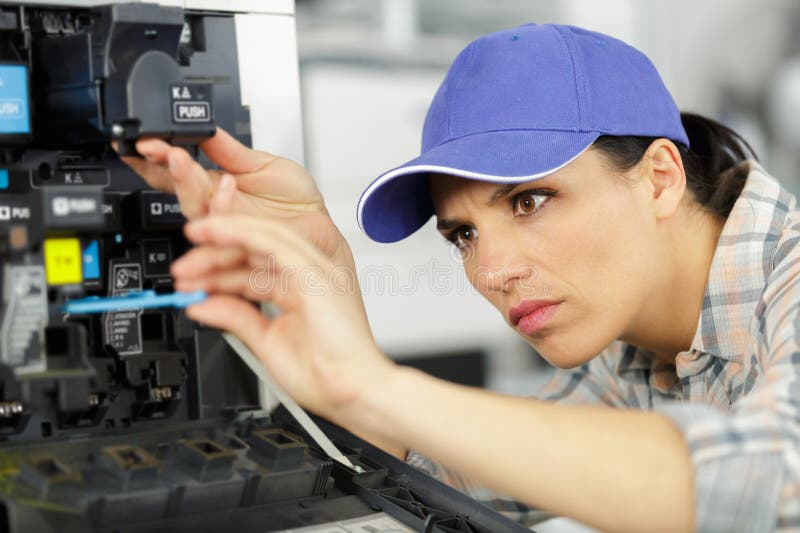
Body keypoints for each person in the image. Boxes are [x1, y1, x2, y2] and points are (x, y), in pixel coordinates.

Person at [118, 23, 800, 533]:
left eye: (529, 200)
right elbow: (454, 485)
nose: (492, 271)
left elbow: (765, 480)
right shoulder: (626, 355)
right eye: (463, 235)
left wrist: (376, 384)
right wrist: (328, 284)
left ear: (659, 178)